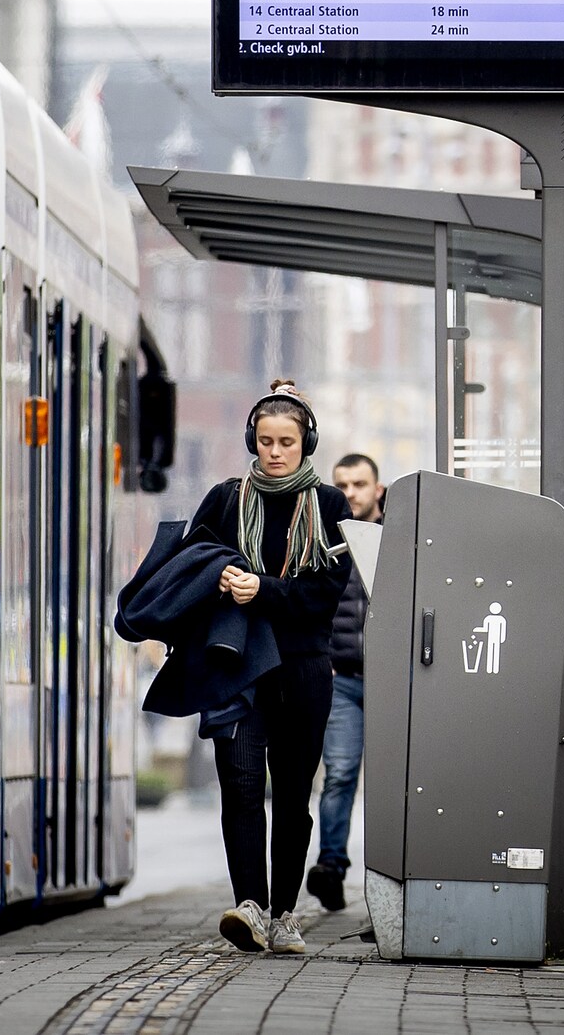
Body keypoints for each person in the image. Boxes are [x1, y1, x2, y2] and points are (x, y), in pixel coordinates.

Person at [194, 381, 353, 956]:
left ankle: (285, 913)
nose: (275, 452)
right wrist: (218, 580)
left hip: (304, 668)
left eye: (287, 441)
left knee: (291, 795)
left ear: (306, 442)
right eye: (265, 441)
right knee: (238, 787)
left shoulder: (331, 506)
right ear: (251, 442)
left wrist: (262, 589)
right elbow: (191, 568)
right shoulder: (224, 500)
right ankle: (252, 908)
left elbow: (323, 596)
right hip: (237, 666)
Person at [306, 452, 382, 912]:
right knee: (339, 774)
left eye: (359, 484)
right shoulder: (319, 540)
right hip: (343, 680)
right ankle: (331, 867)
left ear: (378, 488)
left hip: (394, 682)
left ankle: (396, 870)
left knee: (400, 782)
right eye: (342, 485)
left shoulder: (402, 537)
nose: (350, 493)